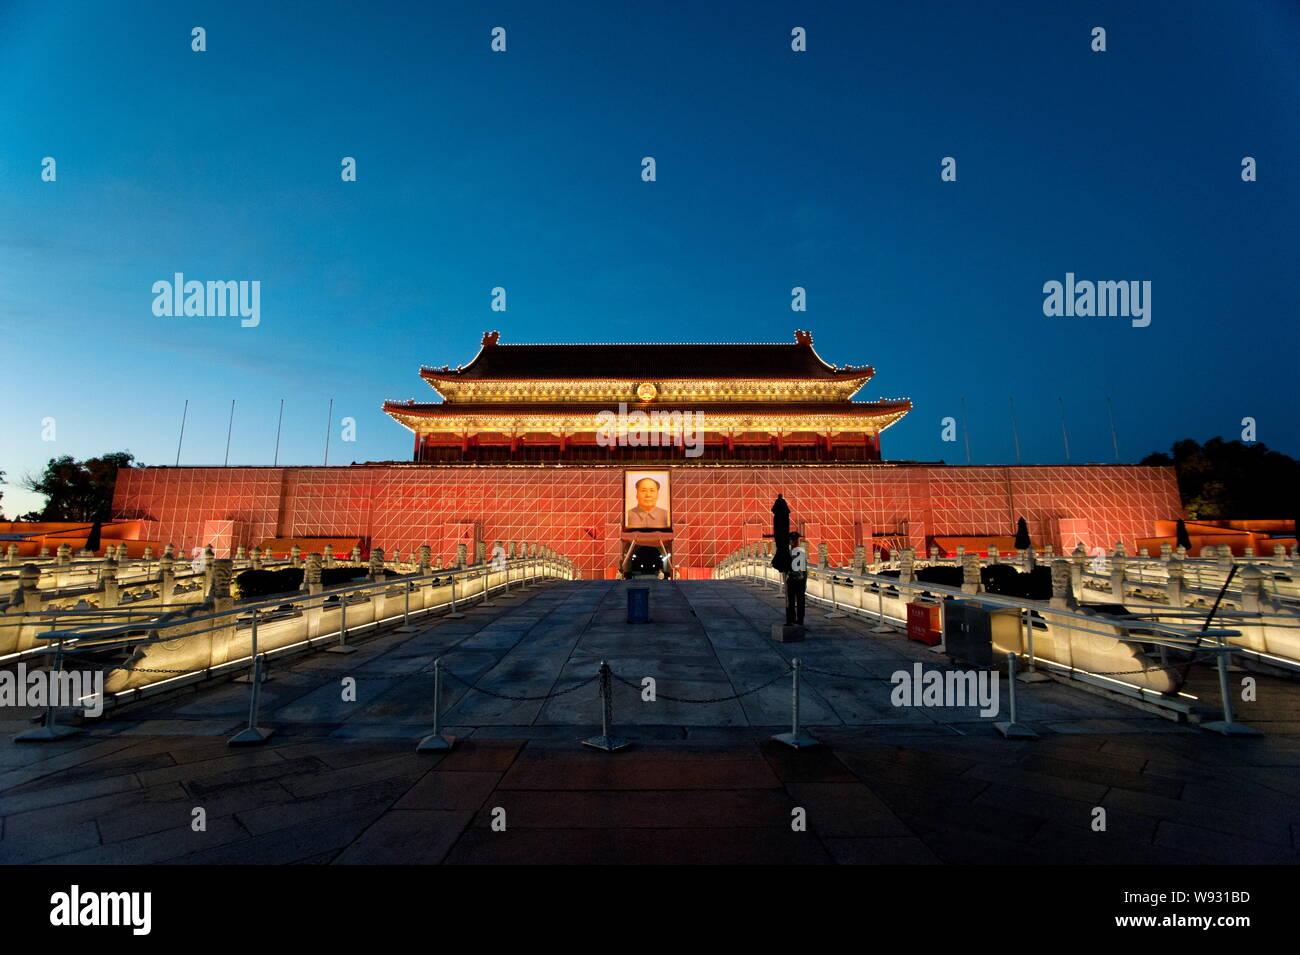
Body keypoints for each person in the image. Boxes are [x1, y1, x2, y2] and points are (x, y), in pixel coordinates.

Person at [786, 532, 807, 625]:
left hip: (795, 579)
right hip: (796, 580)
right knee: (795, 601)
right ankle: (796, 620)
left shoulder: (794, 552)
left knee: (795, 602)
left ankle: (795, 620)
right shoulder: (796, 552)